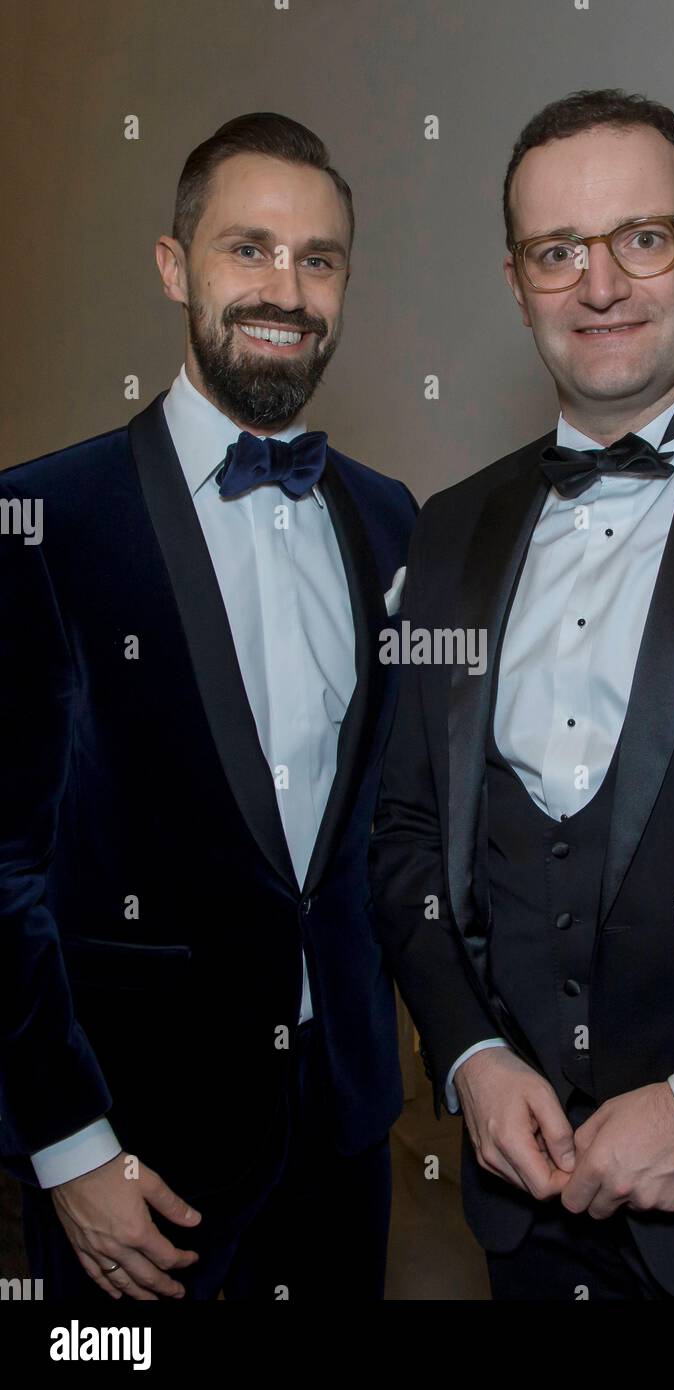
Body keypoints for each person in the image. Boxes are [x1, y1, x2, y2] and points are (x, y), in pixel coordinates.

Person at [369, 88, 674, 1300]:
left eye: (641, 238)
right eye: (557, 252)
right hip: (524, 1228)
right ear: (515, 280)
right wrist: (472, 1052)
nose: (600, 285)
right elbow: (405, 835)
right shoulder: (447, 533)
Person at [0, 112, 415, 1301]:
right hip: (131, 1144)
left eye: (318, 258)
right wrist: (69, 1146)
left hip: (341, 1125)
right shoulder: (42, 523)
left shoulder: (391, 519)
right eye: (250, 249)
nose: (285, 287)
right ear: (175, 266)